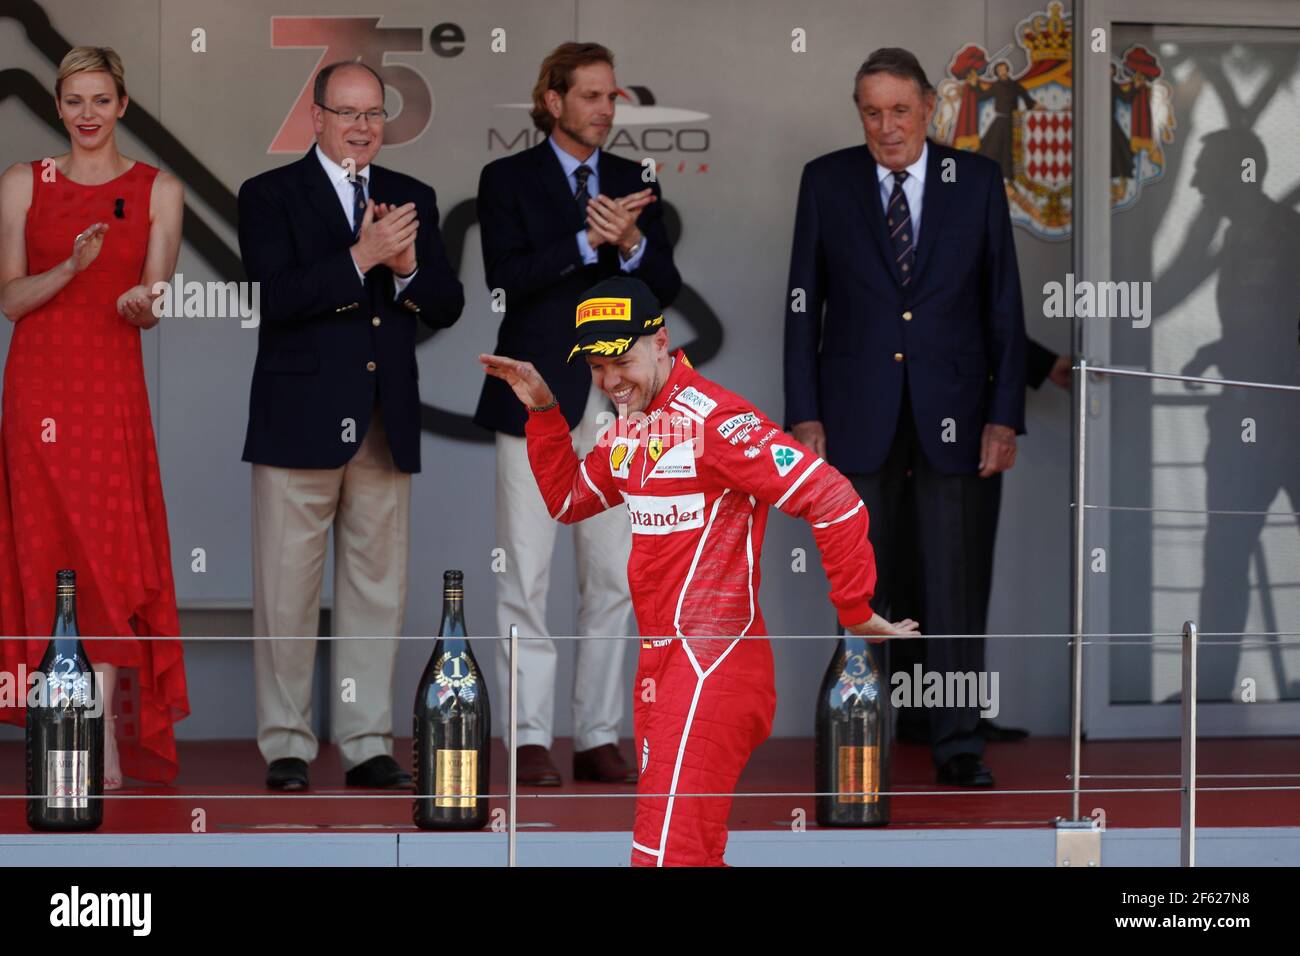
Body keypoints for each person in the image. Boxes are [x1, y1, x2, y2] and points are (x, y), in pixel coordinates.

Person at [480, 275, 917, 867]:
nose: (610, 381)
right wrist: (543, 409)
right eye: (594, 367)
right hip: (664, 666)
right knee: (686, 853)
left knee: (667, 857)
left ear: (661, 342)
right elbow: (567, 501)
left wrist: (856, 610)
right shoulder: (632, 426)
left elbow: (832, 496)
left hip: (715, 663)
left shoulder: (717, 420)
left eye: (622, 361)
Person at [784, 48, 1027, 787]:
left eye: (899, 111)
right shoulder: (827, 180)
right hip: (856, 416)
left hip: (957, 413)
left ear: (930, 108)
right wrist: (805, 415)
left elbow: (1003, 309)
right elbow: (802, 306)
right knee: (862, 589)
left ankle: (957, 745)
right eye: (871, 111)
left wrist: (1002, 416)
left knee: (955, 586)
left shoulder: (976, 181)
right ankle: (862, 742)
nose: (885, 127)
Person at [238, 60, 464, 792]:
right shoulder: (268, 195)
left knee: (377, 590)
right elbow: (276, 297)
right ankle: (287, 745)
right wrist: (362, 257)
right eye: (348, 113)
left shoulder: (412, 196)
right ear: (317, 116)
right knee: (286, 592)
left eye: (374, 115)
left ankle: (366, 740)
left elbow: (447, 303)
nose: (362, 128)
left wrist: (403, 270)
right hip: (298, 420)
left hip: (382, 423)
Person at [474, 42, 681, 786]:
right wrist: (583, 240)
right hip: (538, 397)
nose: (604, 109)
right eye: (590, 95)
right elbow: (507, 277)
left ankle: (597, 733)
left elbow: (668, 287)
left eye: (610, 97)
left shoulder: (635, 181)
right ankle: (528, 736)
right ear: (553, 99)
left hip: (622, 403)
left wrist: (629, 245)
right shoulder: (508, 179)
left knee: (615, 575)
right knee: (524, 574)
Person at [0, 46, 189, 788]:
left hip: (109, 392)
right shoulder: (22, 182)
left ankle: (98, 735)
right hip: (38, 393)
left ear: (123, 105)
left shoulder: (158, 188)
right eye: (73, 100)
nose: (87, 114)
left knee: (108, 562)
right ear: (57, 105)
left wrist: (142, 302)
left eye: (100, 100)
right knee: (44, 557)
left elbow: (153, 299)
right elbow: (10, 300)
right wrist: (72, 269)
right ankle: (56, 722)